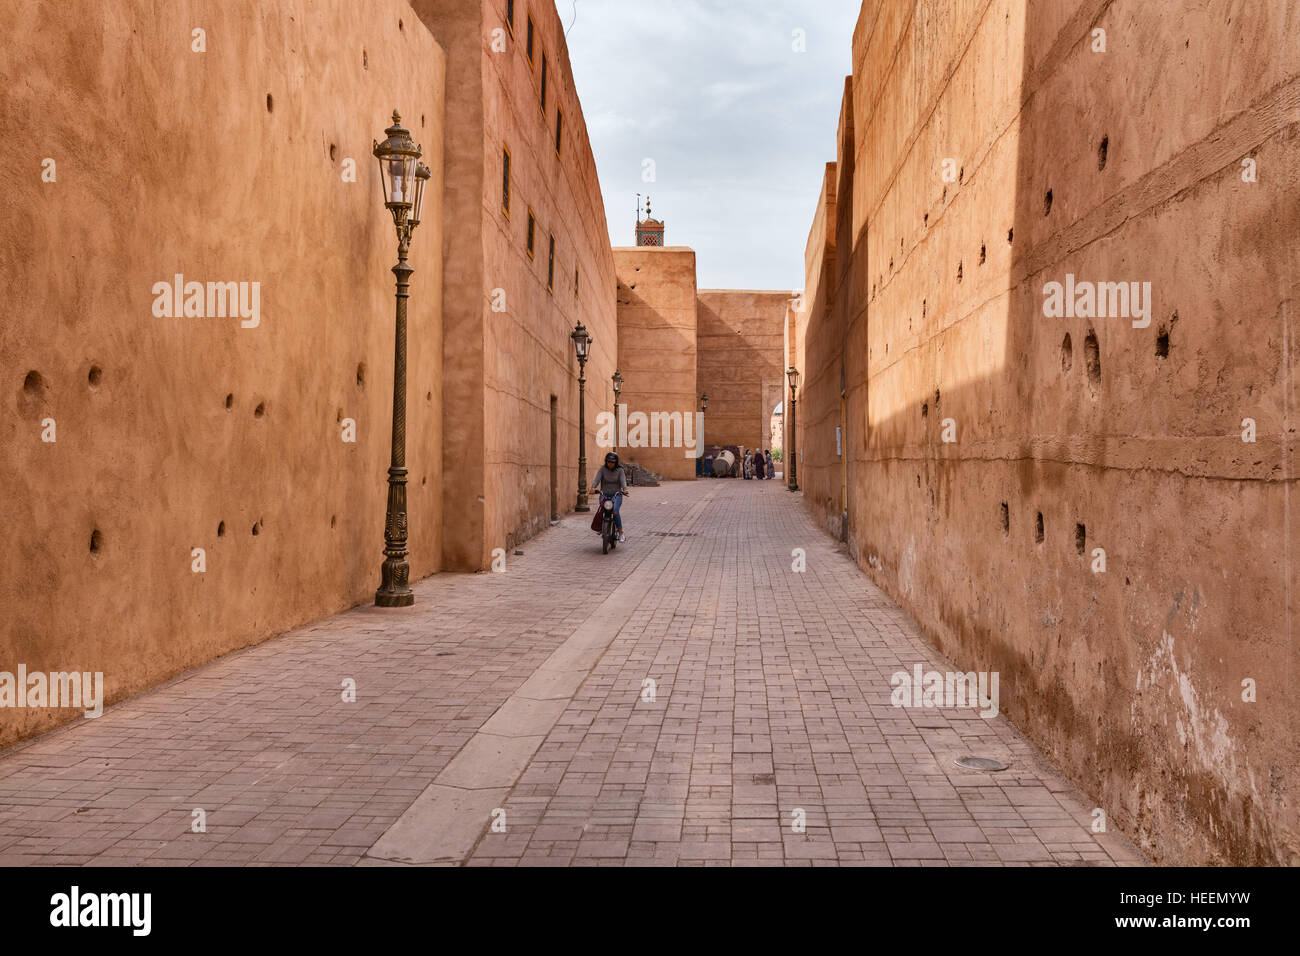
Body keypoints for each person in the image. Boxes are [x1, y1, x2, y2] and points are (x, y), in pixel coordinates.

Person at [590, 451, 629, 541]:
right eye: (608, 462)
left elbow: (623, 481)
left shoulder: (620, 470)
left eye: (612, 462)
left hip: (616, 495)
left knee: (615, 511)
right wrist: (593, 487)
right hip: (604, 495)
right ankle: (602, 527)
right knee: (602, 509)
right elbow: (597, 479)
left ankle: (620, 533)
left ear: (616, 462)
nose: (610, 464)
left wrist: (625, 489)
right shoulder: (602, 469)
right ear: (606, 461)